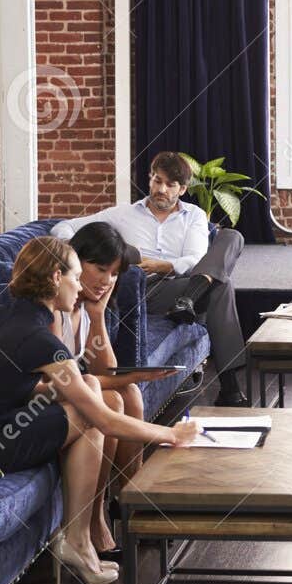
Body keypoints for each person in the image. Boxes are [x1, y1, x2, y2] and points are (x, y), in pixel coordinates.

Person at [0, 236, 199, 584]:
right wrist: (171, 434)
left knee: (91, 391)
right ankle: (76, 539)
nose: (80, 286)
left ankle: (82, 535)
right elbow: (103, 419)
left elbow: (11, 386)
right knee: (88, 415)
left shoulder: (5, 314)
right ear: (55, 278)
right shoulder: (40, 339)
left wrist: (78, 391)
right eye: (76, 276)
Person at [52, 151, 248, 406]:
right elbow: (64, 225)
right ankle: (231, 389)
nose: (161, 189)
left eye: (170, 184)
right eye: (157, 181)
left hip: (181, 286)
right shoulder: (123, 214)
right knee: (222, 287)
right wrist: (70, 249)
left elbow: (195, 259)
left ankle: (189, 299)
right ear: (150, 180)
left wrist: (163, 265)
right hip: (142, 289)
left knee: (233, 237)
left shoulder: (194, 216)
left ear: (183, 189)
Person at [61, 221, 172, 547]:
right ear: (76, 261)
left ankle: (130, 503)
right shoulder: (60, 304)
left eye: (113, 274)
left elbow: (103, 368)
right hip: (43, 398)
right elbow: (71, 379)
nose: (106, 281)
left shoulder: (84, 307)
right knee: (113, 400)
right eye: (100, 269)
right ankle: (95, 518)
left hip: (73, 388)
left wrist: (97, 316)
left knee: (130, 393)